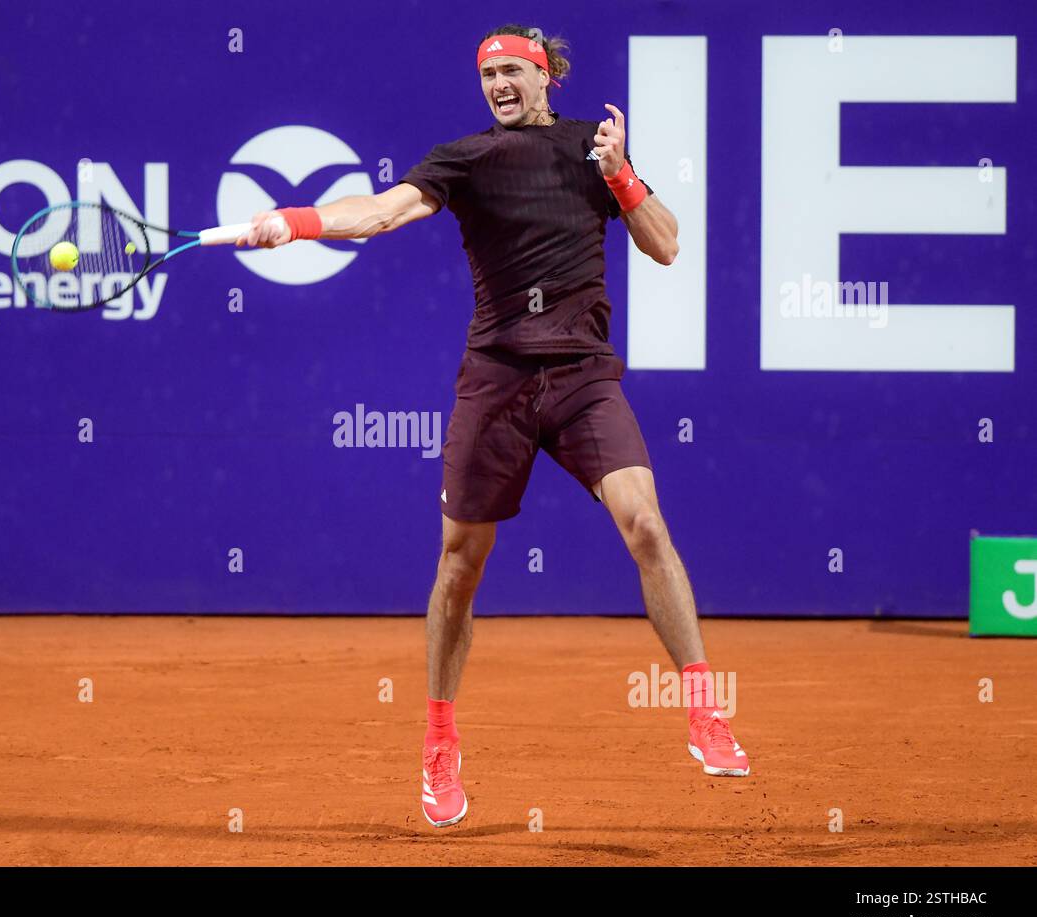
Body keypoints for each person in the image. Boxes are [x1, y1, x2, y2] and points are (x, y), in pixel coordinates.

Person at [237, 23, 749, 829]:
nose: (499, 84)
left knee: (646, 523)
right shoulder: (463, 158)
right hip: (497, 383)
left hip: (583, 379)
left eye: (513, 70)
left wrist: (619, 175)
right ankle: (440, 743)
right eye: (489, 75)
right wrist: (295, 222)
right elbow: (377, 212)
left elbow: (668, 245)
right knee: (459, 566)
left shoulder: (593, 149)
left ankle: (703, 713)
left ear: (545, 76)